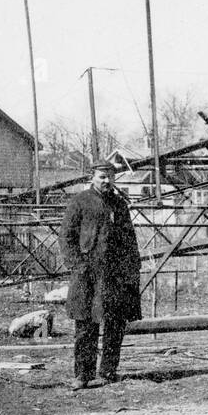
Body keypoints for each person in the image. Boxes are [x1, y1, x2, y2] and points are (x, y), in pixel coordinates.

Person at [59, 161, 141, 389]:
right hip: (88, 274)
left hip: (114, 275)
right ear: (92, 177)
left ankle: (107, 372)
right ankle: (82, 375)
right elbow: (66, 237)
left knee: (115, 324)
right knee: (86, 324)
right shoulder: (80, 202)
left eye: (110, 177)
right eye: (102, 177)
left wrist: (132, 268)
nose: (106, 181)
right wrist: (78, 265)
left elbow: (129, 239)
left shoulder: (119, 204)